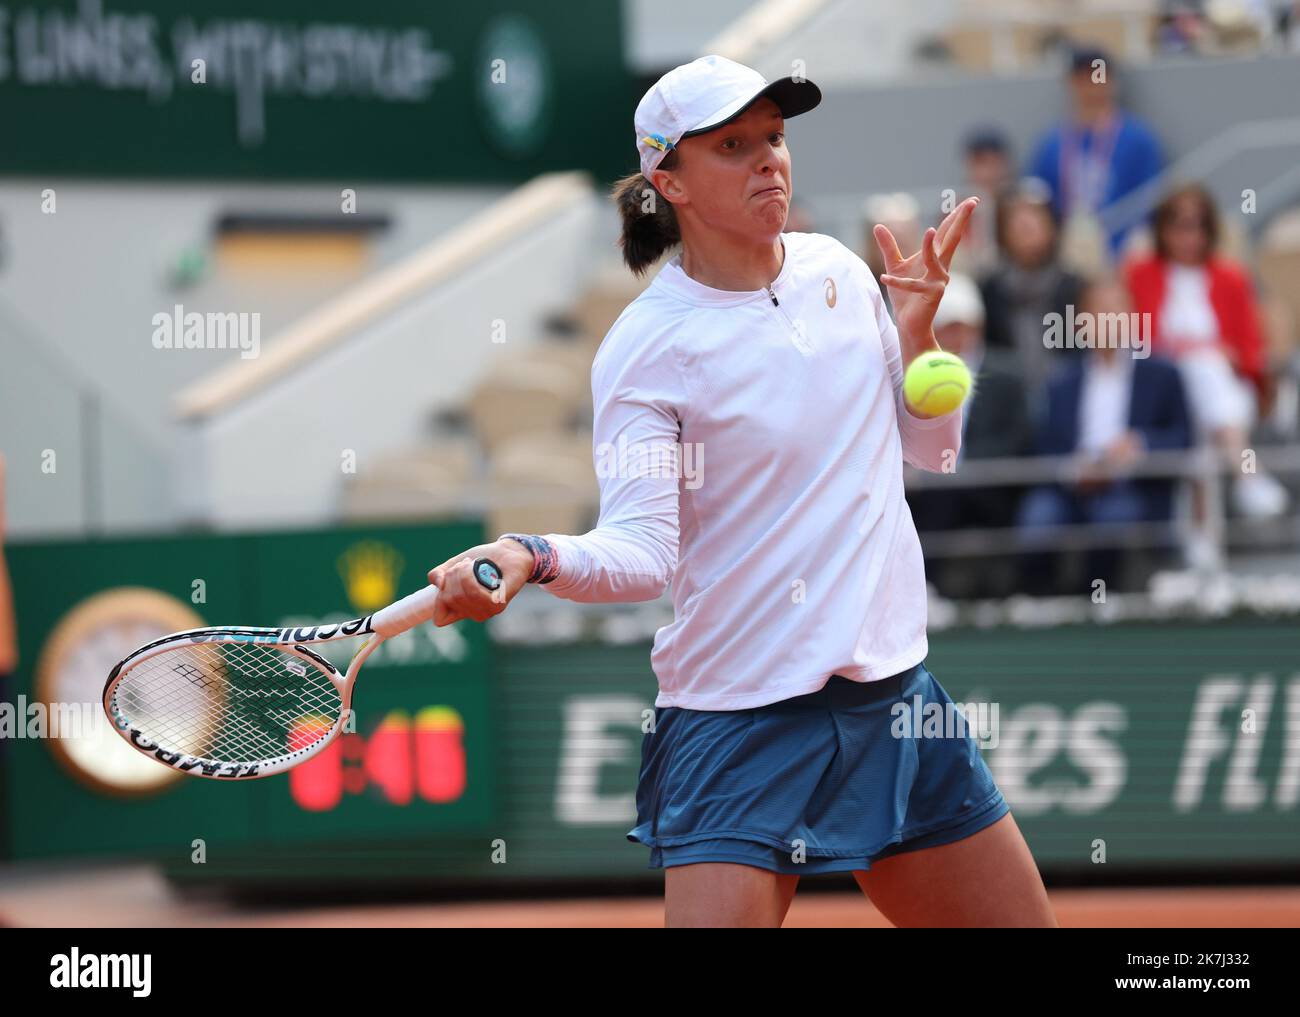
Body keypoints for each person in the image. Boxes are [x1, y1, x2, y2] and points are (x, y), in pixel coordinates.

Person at [424, 55, 1056, 928]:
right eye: (732, 145)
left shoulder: (839, 273)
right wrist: (531, 553)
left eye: (775, 137)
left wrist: (914, 337)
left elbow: (929, 451)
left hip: (894, 701)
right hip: (741, 719)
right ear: (668, 180)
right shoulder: (648, 348)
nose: (769, 160)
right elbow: (645, 553)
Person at [1124, 183, 1289, 534]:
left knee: (1206, 374)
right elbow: (1137, 340)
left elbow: (1250, 348)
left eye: (1197, 225)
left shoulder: (1230, 277)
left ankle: (1201, 540)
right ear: (1162, 229)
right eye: (1179, 226)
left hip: (1227, 388)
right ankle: (1247, 474)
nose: (1189, 236)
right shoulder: (1141, 274)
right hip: (1168, 390)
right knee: (1195, 373)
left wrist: (1223, 354)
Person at [1017, 277, 1193, 593]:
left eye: (1116, 309)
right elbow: (1045, 445)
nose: (1108, 319)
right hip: (1071, 488)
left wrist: (1140, 444)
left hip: (1134, 486)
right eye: (1098, 311)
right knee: (1038, 517)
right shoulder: (1062, 381)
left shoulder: (1163, 374)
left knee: (1114, 516)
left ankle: (1095, 601)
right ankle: (1041, 604)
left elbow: (1183, 438)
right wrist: (1074, 470)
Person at [906, 273, 1033, 599]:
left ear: (977, 326)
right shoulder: (919, 373)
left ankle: (1017, 592)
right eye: (948, 326)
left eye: (962, 325)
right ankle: (925, 591)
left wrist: (958, 465)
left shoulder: (1008, 374)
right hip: (938, 495)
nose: (956, 334)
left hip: (994, 491)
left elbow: (1019, 439)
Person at [1026, 46, 1164, 260]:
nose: (1091, 86)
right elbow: (1038, 199)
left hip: (1124, 251)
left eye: (1097, 76)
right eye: (1082, 78)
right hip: (1067, 253)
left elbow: (1150, 199)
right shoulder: (1052, 144)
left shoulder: (1137, 139)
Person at [980, 179, 1086, 416]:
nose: (1025, 227)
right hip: (1008, 406)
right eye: (1016, 221)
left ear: (1053, 227)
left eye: (1035, 218)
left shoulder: (1075, 287)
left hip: (1065, 402)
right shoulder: (989, 289)